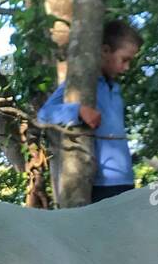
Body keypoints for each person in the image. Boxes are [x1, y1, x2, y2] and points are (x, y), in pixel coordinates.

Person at [36, 20, 143, 203]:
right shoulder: (81, 84)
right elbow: (44, 115)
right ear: (105, 51)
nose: (126, 67)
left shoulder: (115, 89)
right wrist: (77, 111)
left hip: (125, 180)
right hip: (100, 185)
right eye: (124, 60)